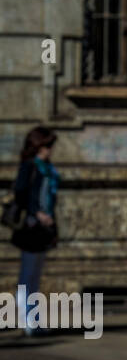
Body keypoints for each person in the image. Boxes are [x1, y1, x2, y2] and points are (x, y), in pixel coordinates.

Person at [11, 126, 60, 336]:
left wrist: (50, 220)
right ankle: (27, 320)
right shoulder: (30, 166)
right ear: (37, 145)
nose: (49, 150)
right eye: (47, 145)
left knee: (35, 275)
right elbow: (20, 193)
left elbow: (51, 198)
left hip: (44, 226)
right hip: (31, 225)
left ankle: (34, 319)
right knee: (27, 274)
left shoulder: (48, 168)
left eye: (51, 146)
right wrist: (36, 212)